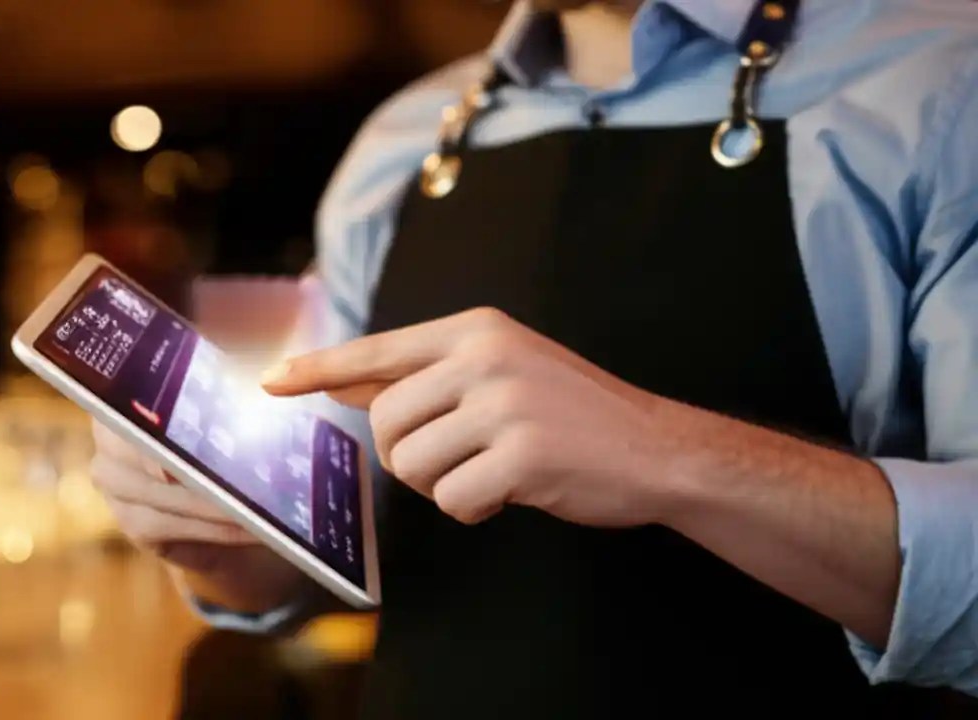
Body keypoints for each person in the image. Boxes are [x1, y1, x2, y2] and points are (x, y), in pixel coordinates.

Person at [90, 0, 978, 716]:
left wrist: (662, 451)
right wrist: (215, 543)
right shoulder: (400, 143)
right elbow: (328, 557)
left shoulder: (942, 82)